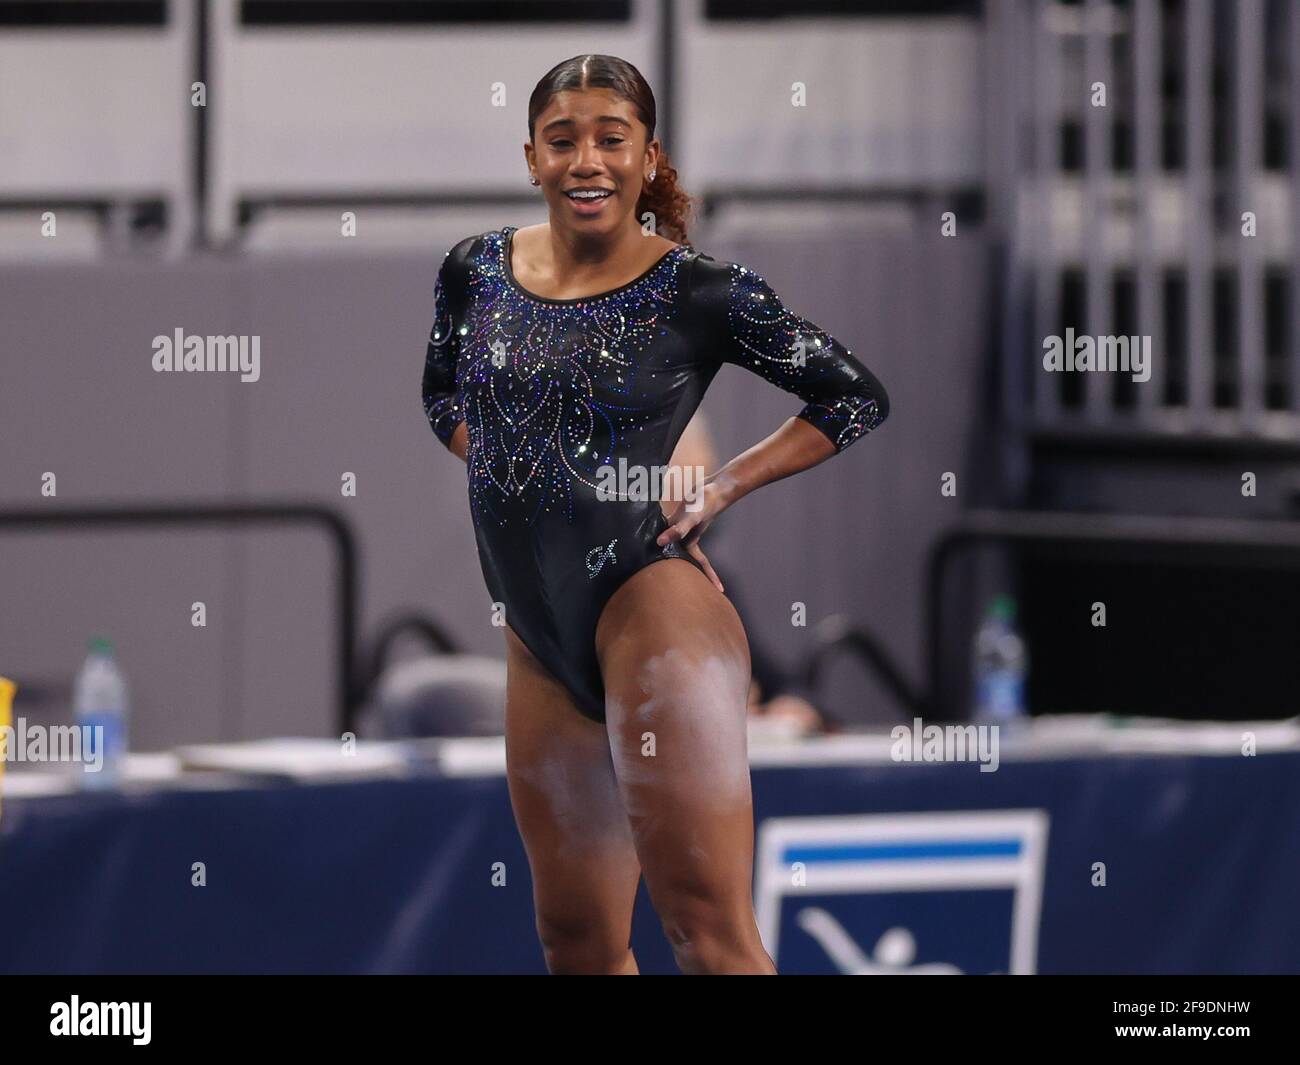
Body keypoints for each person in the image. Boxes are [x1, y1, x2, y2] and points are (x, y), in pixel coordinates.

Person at [421, 54, 889, 974]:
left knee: (706, 934)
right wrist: (517, 475)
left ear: (646, 157)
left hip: (650, 610)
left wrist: (725, 484)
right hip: (537, 631)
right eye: (563, 140)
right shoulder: (476, 268)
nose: (586, 160)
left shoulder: (698, 290)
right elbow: (442, 395)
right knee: (578, 942)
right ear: (531, 157)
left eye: (610, 139)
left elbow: (853, 395)